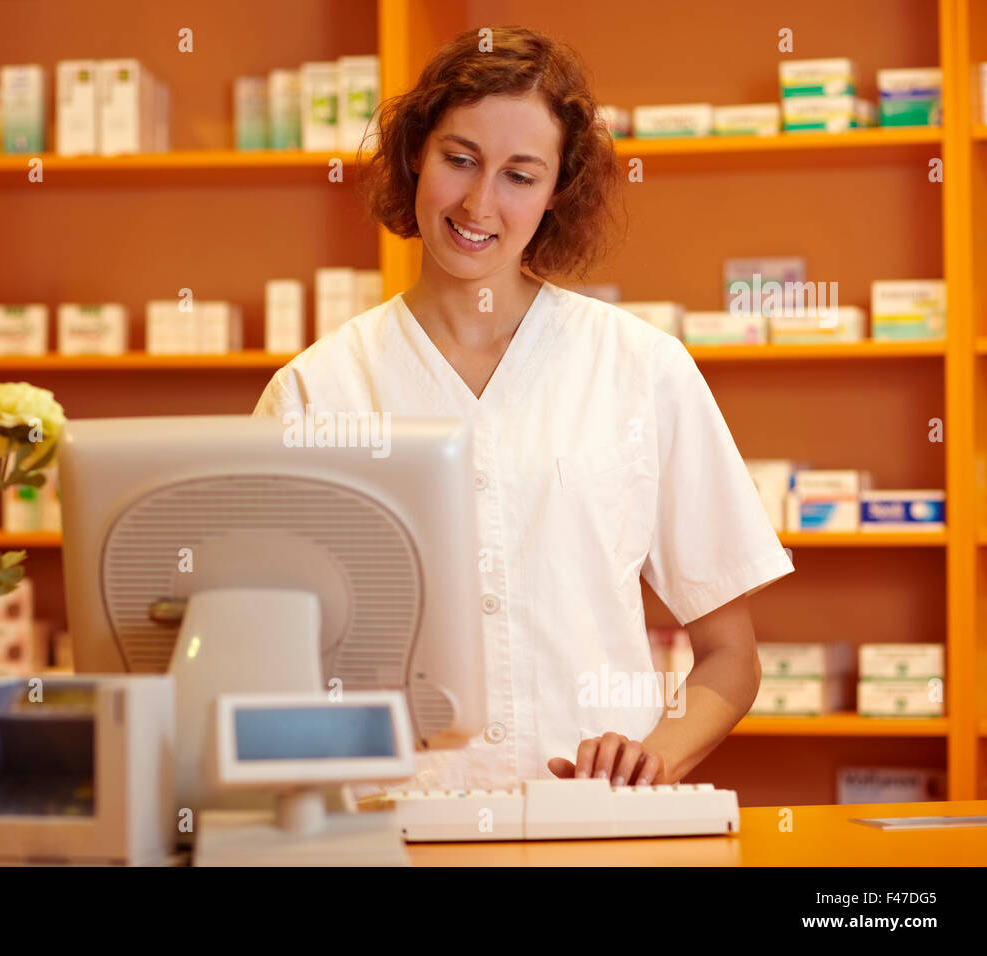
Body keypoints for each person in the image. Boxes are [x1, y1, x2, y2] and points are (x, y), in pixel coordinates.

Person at [253, 26, 792, 790]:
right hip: (392, 827)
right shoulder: (317, 391)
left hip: (587, 826)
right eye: (460, 159)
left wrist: (653, 758)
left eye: (520, 175)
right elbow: (259, 654)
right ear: (416, 153)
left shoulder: (640, 369)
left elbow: (730, 658)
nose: (479, 202)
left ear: (556, 192)